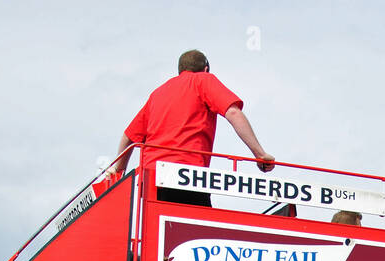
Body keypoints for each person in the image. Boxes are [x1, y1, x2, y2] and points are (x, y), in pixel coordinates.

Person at [114, 50, 275, 205]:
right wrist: (260, 154)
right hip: (187, 177)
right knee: (200, 231)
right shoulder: (203, 80)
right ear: (205, 70)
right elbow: (233, 113)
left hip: (151, 181)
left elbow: (127, 137)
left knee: (157, 230)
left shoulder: (157, 94)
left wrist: (118, 175)